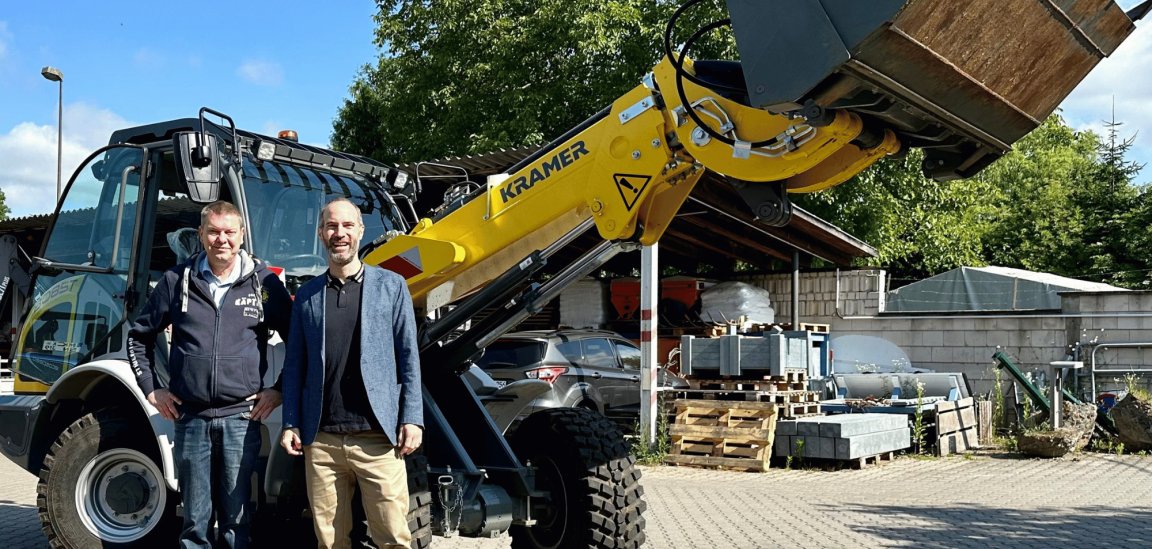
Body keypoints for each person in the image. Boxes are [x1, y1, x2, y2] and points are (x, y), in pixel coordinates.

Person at [128, 200, 292, 548]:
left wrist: (279, 390)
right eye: (214, 232)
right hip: (191, 420)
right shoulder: (176, 281)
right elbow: (138, 336)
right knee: (195, 522)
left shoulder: (264, 284)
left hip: (241, 419)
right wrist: (151, 389)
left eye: (230, 232)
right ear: (201, 234)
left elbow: (300, 344)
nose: (222, 240)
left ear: (242, 235)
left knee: (237, 519)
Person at [279, 198, 423, 549]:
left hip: (378, 437)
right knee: (329, 541)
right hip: (322, 440)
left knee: (393, 538)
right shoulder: (308, 295)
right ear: (320, 234)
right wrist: (290, 422)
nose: (338, 233)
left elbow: (409, 357)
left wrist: (412, 418)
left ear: (360, 231)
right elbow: (295, 364)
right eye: (331, 226)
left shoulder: (391, 286)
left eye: (346, 226)